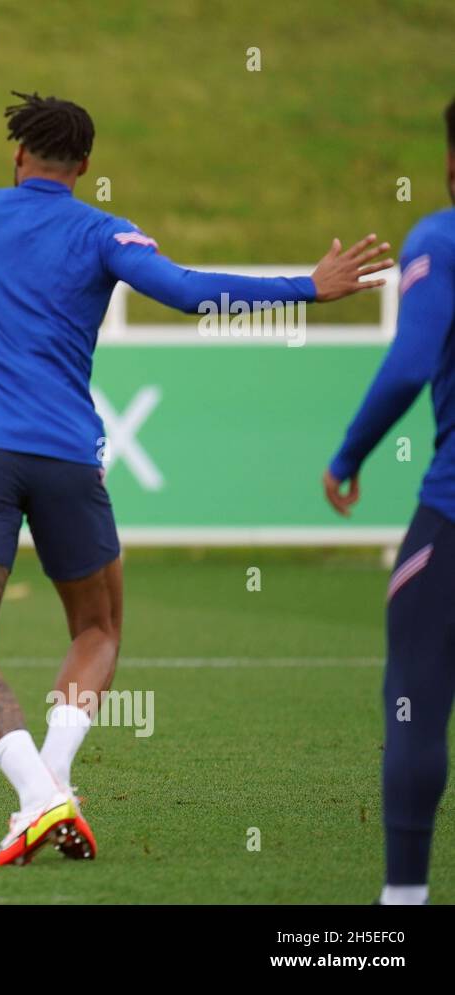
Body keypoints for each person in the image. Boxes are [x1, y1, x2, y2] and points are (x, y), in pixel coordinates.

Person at [0, 92, 391, 864]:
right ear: (84, 167)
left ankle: (39, 797)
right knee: (99, 629)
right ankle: (56, 782)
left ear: (17, 156)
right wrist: (306, 287)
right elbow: (185, 290)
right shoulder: (102, 230)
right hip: (72, 459)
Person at [324, 96, 455, 906]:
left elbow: (409, 366)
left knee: (415, 689)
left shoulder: (440, 238)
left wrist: (348, 453)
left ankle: (402, 904)